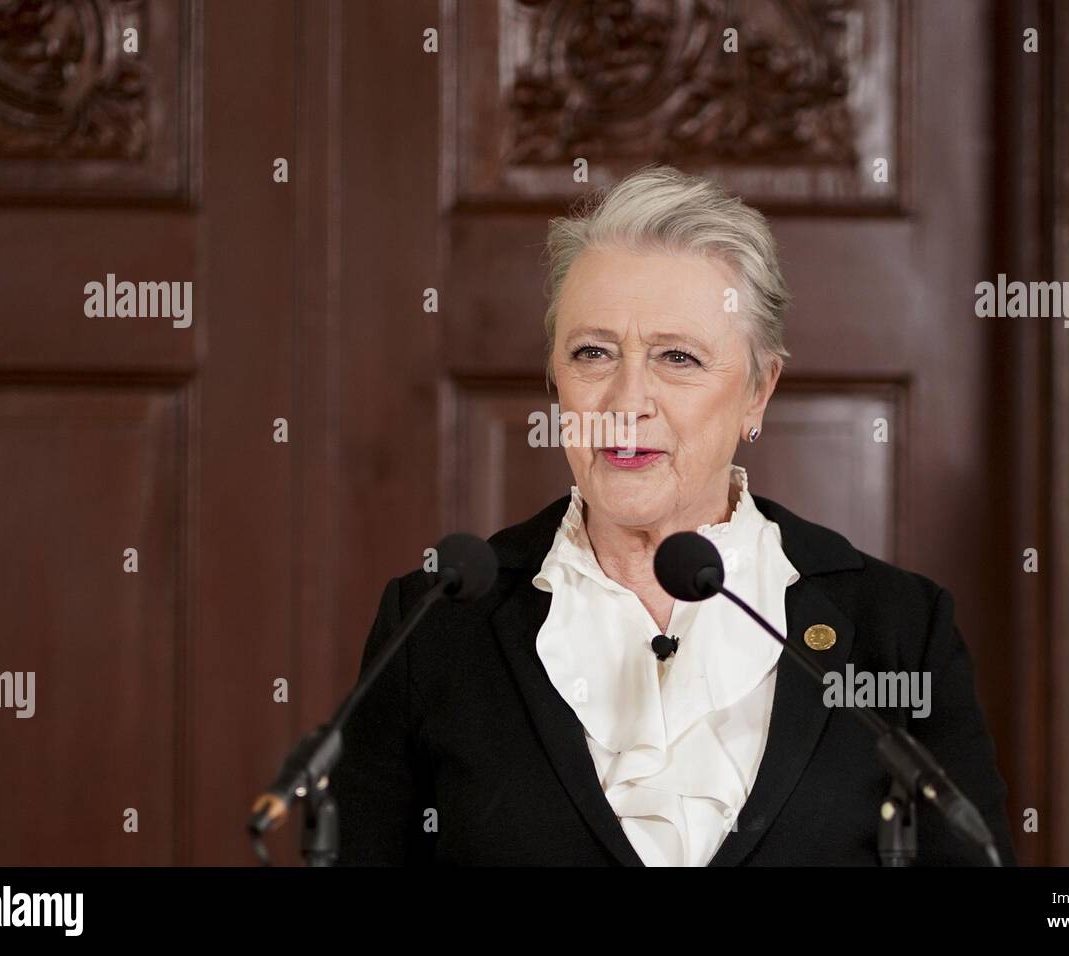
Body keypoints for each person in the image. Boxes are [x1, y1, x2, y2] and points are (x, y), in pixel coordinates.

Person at [332, 165, 1015, 866]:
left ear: (758, 390)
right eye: (592, 353)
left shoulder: (897, 630)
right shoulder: (434, 624)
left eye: (677, 357)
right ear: (556, 377)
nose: (627, 401)